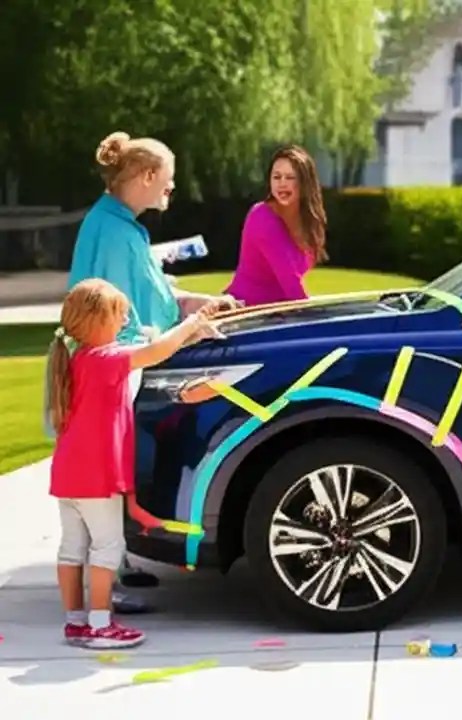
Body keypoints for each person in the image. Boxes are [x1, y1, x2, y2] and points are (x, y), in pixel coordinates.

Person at [65, 131, 239, 609]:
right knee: (112, 475)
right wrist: (185, 330)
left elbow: (149, 295)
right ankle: (107, 587)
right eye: (167, 180)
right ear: (145, 177)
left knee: (121, 472)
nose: (170, 189)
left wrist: (193, 305)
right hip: (115, 377)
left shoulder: (120, 226)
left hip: (117, 372)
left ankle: (118, 565)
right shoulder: (117, 232)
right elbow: (119, 320)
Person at [47, 279, 216, 649]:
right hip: (95, 476)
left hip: (69, 475)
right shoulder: (105, 360)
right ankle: (101, 624)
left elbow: (150, 349)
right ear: (96, 321)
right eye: (118, 316)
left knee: (72, 548)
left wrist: (187, 336)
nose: (124, 322)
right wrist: (192, 322)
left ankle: (75, 622)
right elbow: (155, 352)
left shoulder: (80, 359)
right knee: (106, 548)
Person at [224, 145, 328, 305]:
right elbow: (291, 281)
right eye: (277, 177)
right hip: (245, 314)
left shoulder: (309, 220)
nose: (282, 184)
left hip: (280, 315)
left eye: (290, 177)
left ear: (305, 182)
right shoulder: (262, 216)